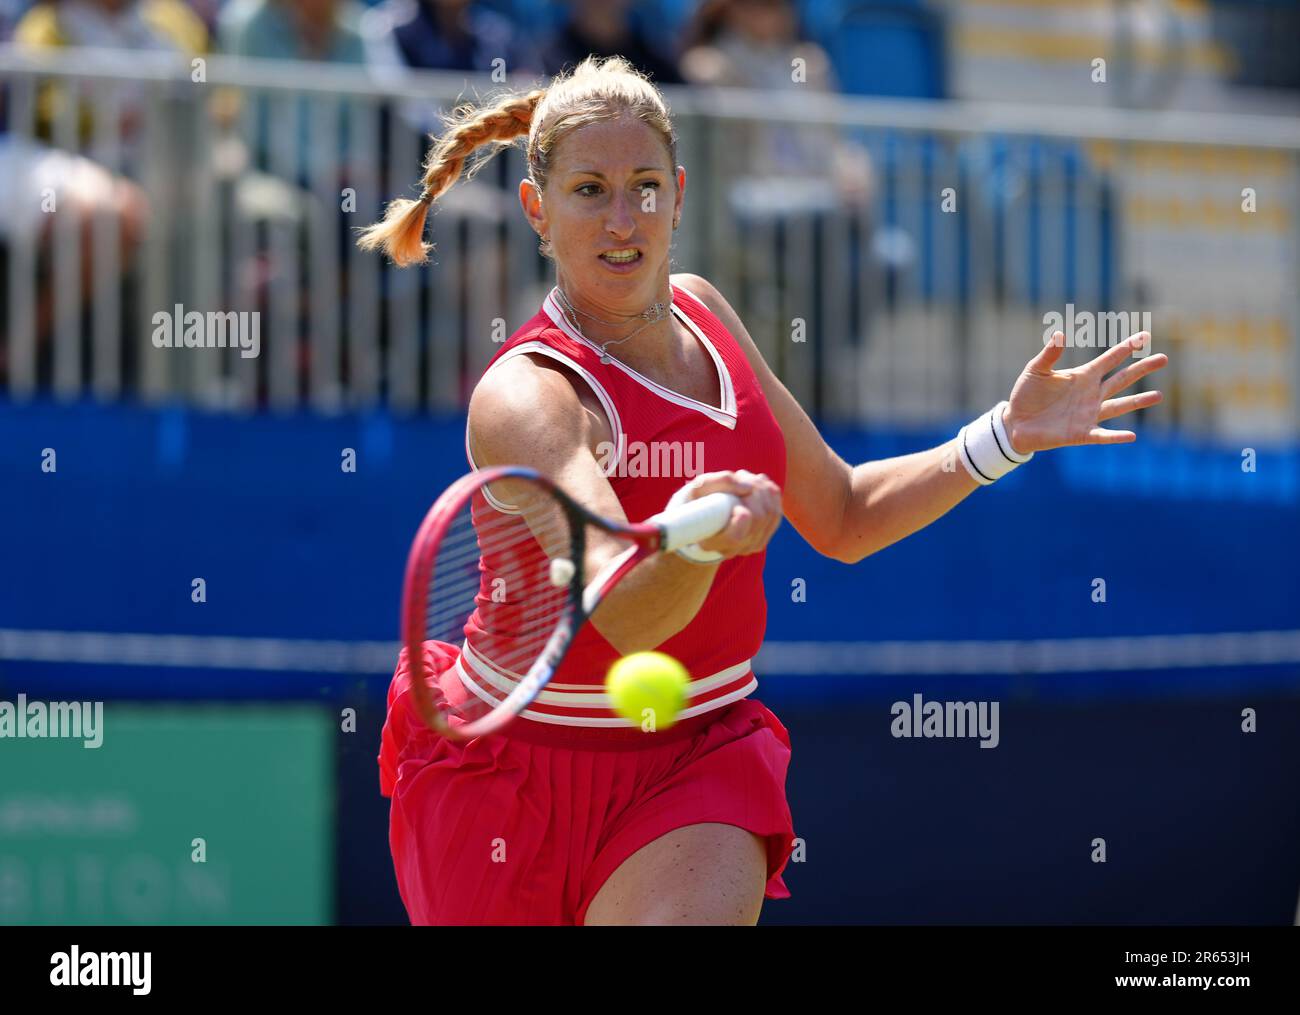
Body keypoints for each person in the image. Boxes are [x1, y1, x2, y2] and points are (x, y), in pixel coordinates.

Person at [360, 56, 1168, 925]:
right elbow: (624, 612)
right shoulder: (527, 396)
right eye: (590, 190)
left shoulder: (709, 312)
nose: (623, 218)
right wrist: (701, 540)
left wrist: (1002, 437)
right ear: (538, 212)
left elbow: (847, 513)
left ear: (679, 193)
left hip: (693, 758)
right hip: (509, 781)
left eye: (644, 187)